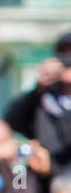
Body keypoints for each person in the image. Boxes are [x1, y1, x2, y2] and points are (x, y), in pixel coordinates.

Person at [4, 33, 71, 174]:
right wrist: (39, 88)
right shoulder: (43, 99)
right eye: (63, 54)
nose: (68, 60)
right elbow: (12, 122)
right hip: (47, 180)